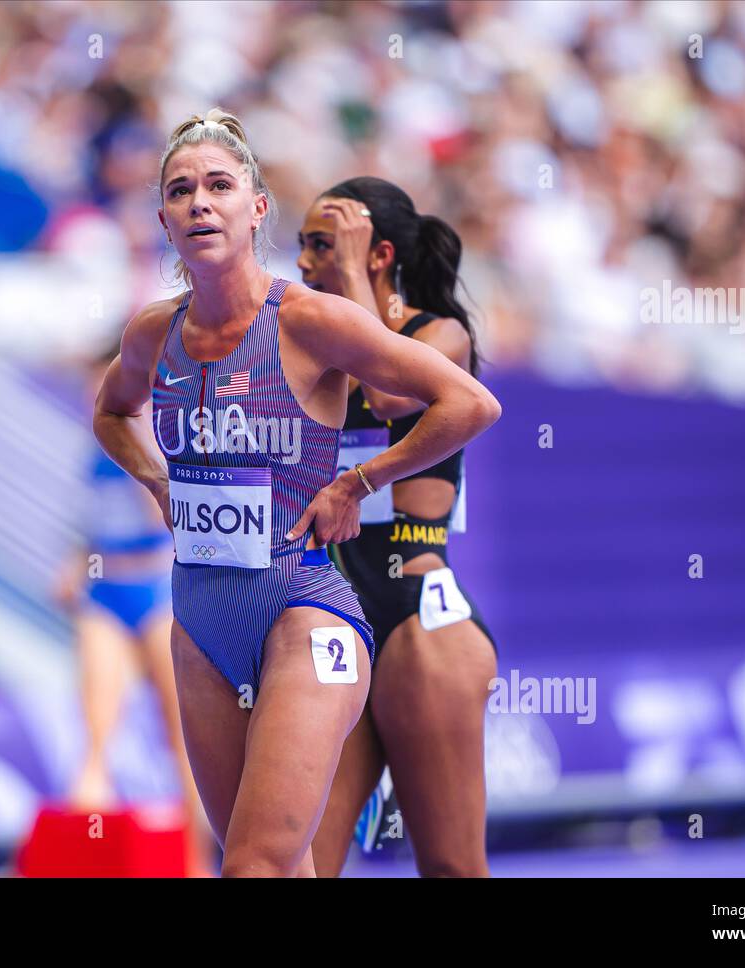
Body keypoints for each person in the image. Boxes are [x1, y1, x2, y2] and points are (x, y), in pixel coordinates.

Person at [93, 109, 501, 877]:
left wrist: (359, 479)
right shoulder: (152, 333)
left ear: (256, 209)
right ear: (163, 219)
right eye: (181, 191)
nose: (200, 202)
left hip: (320, 604)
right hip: (203, 620)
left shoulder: (315, 320)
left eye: (219, 185)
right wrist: (154, 478)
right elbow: (112, 411)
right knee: (274, 865)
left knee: (274, 866)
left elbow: (467, 403)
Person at [298, 179, 499, 877]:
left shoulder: (440, 334)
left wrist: (351, 275)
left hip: (420, 617)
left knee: (450, 868)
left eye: (320, 245)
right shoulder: (314, 351)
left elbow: (385, 393)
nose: (303, 264)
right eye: (301, 246)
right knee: (300, 865)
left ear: (379, 254)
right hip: (332, 616)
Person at [58, 348, 212, 875]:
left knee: (182, 738)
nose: (87, 397)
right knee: (96, 739)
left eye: (96, 385)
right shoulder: (90, 452)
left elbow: (174, 517)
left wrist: (143, 461)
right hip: (104, 593)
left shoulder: (142, 441)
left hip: (154, 590)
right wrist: (75, 565)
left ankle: (193, 861)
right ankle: (83, 859)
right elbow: (91, 524)